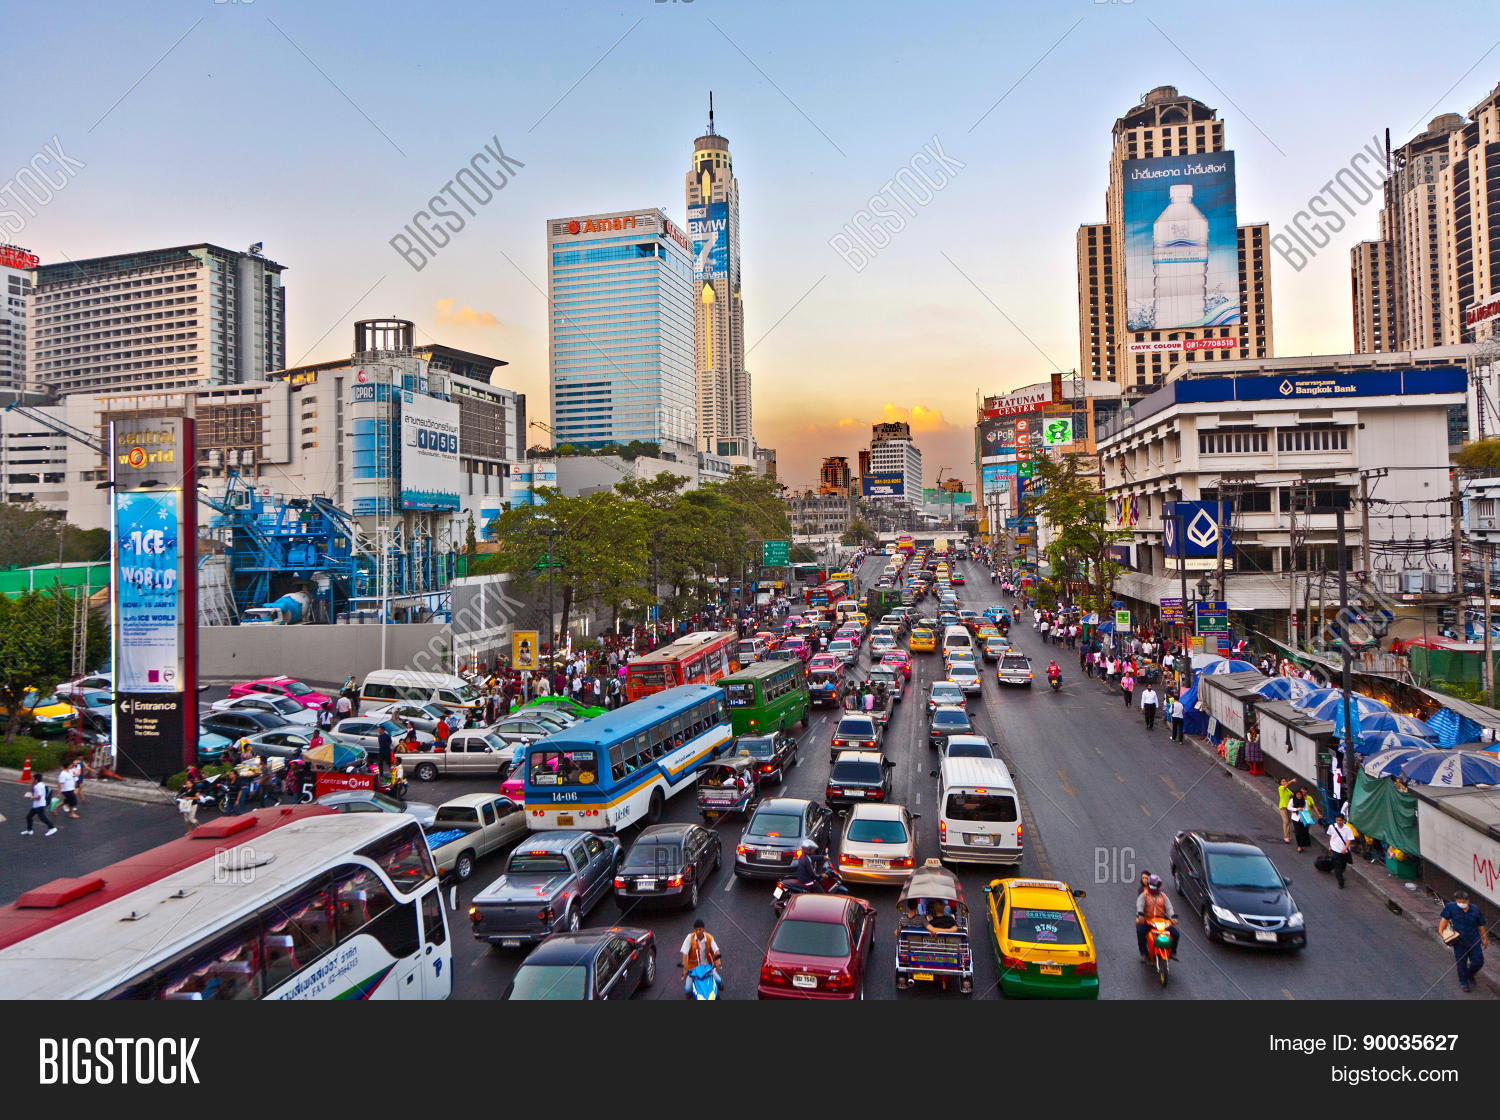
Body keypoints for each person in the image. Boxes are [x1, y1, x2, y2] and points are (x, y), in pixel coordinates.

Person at [1439, 890, 1489, 992]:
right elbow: (1444, 921)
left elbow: (1481, 925)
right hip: (1459, 942)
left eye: (1463, 902)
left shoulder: (1475, 910)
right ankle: (1463, 982)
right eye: (1459, 902)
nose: (1461, 904)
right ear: (1456, 901)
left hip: (1474, 940)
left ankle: (1469, 974)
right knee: (1461, 962)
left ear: (1468, 901)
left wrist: (1485, 939)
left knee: (1478, 961)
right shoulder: (1451, 907)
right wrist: (1442, 933)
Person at [1135, 874, 1179, 960]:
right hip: (1148, 920)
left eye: (1154, 887)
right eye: (1150, 886)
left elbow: (1169, 908)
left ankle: (1173, 952)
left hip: (1162, 922)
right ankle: (1143, 953)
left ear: (1159, 886)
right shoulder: (1144, 895)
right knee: (1140, 931)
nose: (1152, 888)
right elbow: (1139, 906)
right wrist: (1140, 914)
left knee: (1176, 934)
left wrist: (1173, 917)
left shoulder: (1163, 896)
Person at [680, 919, 722, 997]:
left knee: (719, 981)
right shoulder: (689, 938)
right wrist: (685, 969)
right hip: (693, 970)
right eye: (696, 930)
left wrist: (718, 961)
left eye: (700, 929)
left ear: (704, 929)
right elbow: (685, 954)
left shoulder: (709, 938)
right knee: (688, 989)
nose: (698, 932)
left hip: (707, 968)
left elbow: (716, 950)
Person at [1327, 812, 1354, 887]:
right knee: (1337, 866)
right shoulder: (1332, 827)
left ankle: (1340, 875)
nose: (1339, 822)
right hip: (1335, 849)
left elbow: (1349, 840)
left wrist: (1345, 848)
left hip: (1343, 851)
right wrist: (1331, 845)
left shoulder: (1347, 829)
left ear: (1343, 820)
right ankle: (1340, 882)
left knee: (1343, 865)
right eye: (1337, 820)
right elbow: (1330, 835)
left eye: (1340, 820)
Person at [1288, 787, 1312, 852]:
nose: (1299, 796)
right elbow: (1289, 807)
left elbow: (1306, 809)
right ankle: (1299, 845)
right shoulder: (1292, 800)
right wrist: (1296, 809)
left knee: (1303, 832)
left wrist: (1302, 810)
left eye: (1300, 794)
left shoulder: (1305, 801)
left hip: (1303, 818)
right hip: (1295, 818)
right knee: (1297, 832)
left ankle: (1303, 844)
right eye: (1297, 794)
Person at [1277, 777, 1295, 844]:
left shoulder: (1287, 789)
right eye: (1283, 781)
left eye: (1285, 781)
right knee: (1286, 822)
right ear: (1280, 783)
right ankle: (1286, 836)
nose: (1284, 782)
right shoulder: (1281, 788)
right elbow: (1286, 785)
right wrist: (1292, 781)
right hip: (1283, 807)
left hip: (1289, 807)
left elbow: (1292, 795)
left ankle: (1288, 835)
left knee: (1289, 821)